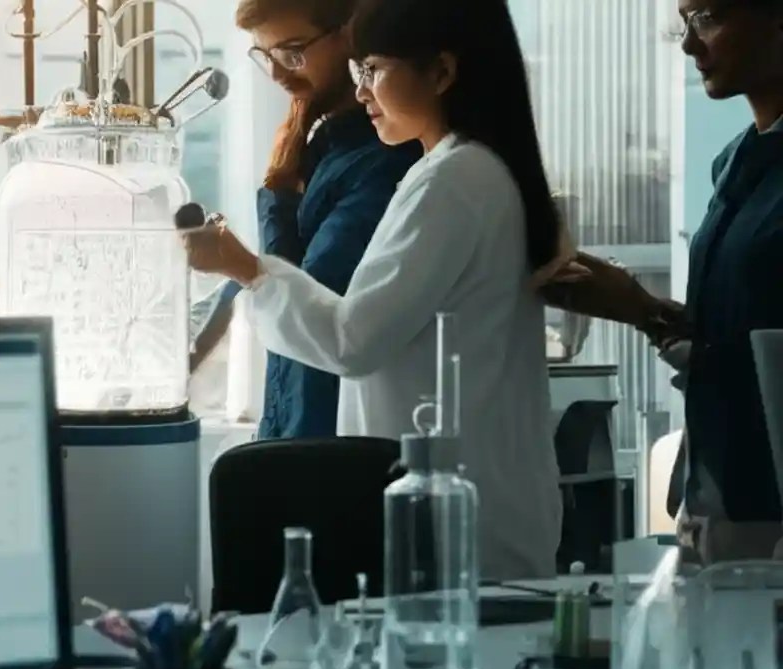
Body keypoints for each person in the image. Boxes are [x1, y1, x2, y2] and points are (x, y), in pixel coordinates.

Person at [187, 0, 563, 580]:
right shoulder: (455, 170)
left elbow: (351, 341)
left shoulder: (455, 180)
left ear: (440, 72)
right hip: (458, 512)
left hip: (457, 525)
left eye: (373, 71)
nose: (361, 93)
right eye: (357, 70)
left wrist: (247, 269)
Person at [191, 0, 419, 440]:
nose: (278, 73)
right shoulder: (326, 149)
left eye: (293, 52)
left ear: (351, 34)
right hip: (300, 441)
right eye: (266, 55)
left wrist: (276, 196)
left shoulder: (383, 163)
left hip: (333, 452)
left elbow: (310, 316)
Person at [659, 0, 783, 563]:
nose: (688, 44)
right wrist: (637, 308)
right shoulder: (734, 161)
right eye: (683, 22)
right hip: (716, 501)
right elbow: (724, 329)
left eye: (706, 16)